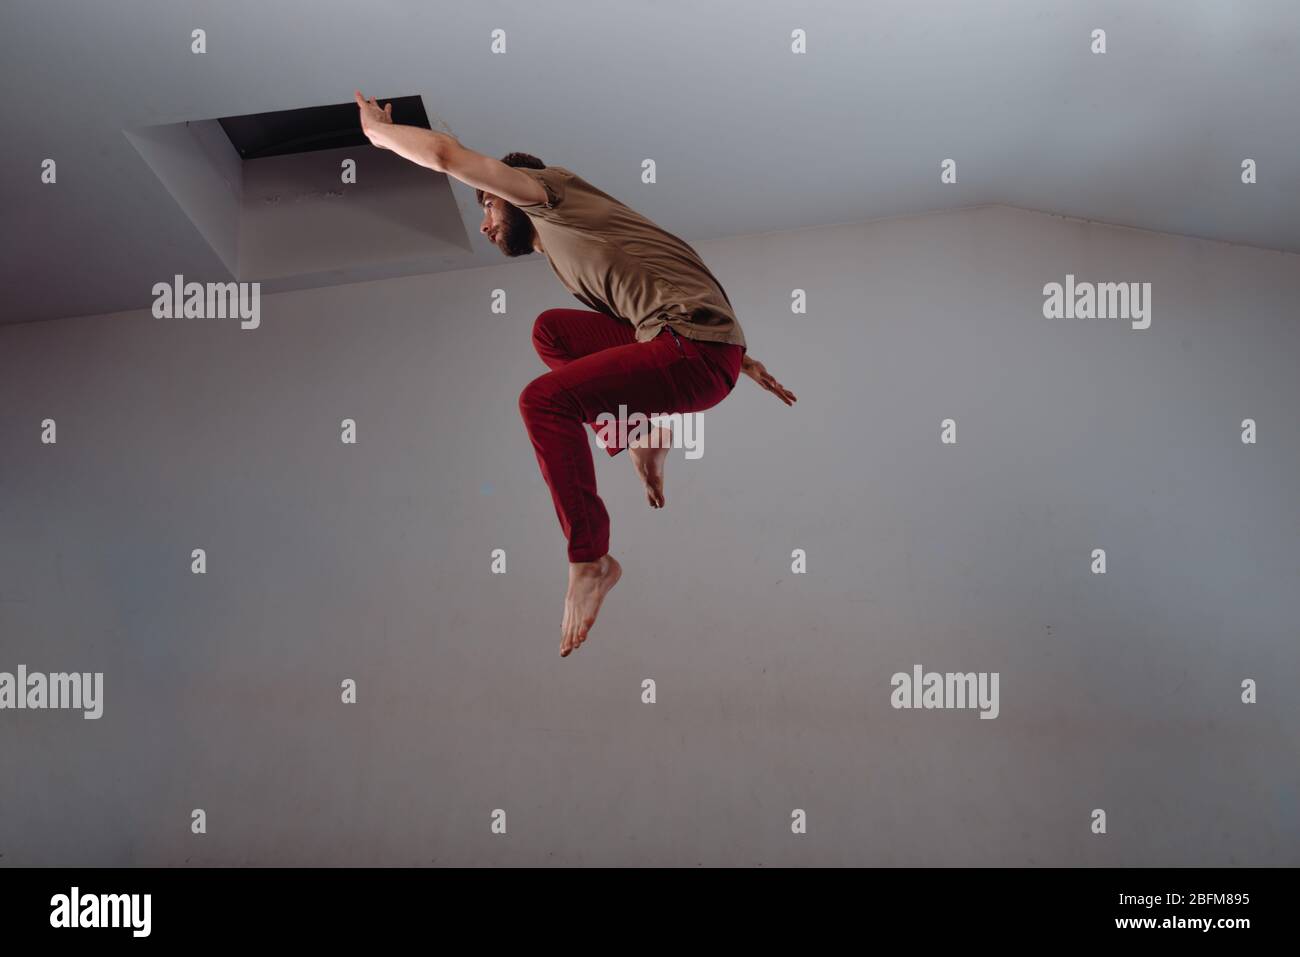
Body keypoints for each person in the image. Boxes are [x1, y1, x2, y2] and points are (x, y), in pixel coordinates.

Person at [355, 91, 796, 657]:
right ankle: (636, 432)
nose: (486, 226)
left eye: (487, 206)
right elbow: (668, 272)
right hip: (696, 344)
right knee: (552, 332)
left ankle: (592, 559)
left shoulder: (550, 194)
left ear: (513, 192)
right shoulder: (578, 248)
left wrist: (377, 134)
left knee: (543, 402)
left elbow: (444, 154)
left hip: (696, 349)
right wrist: (743, 354)